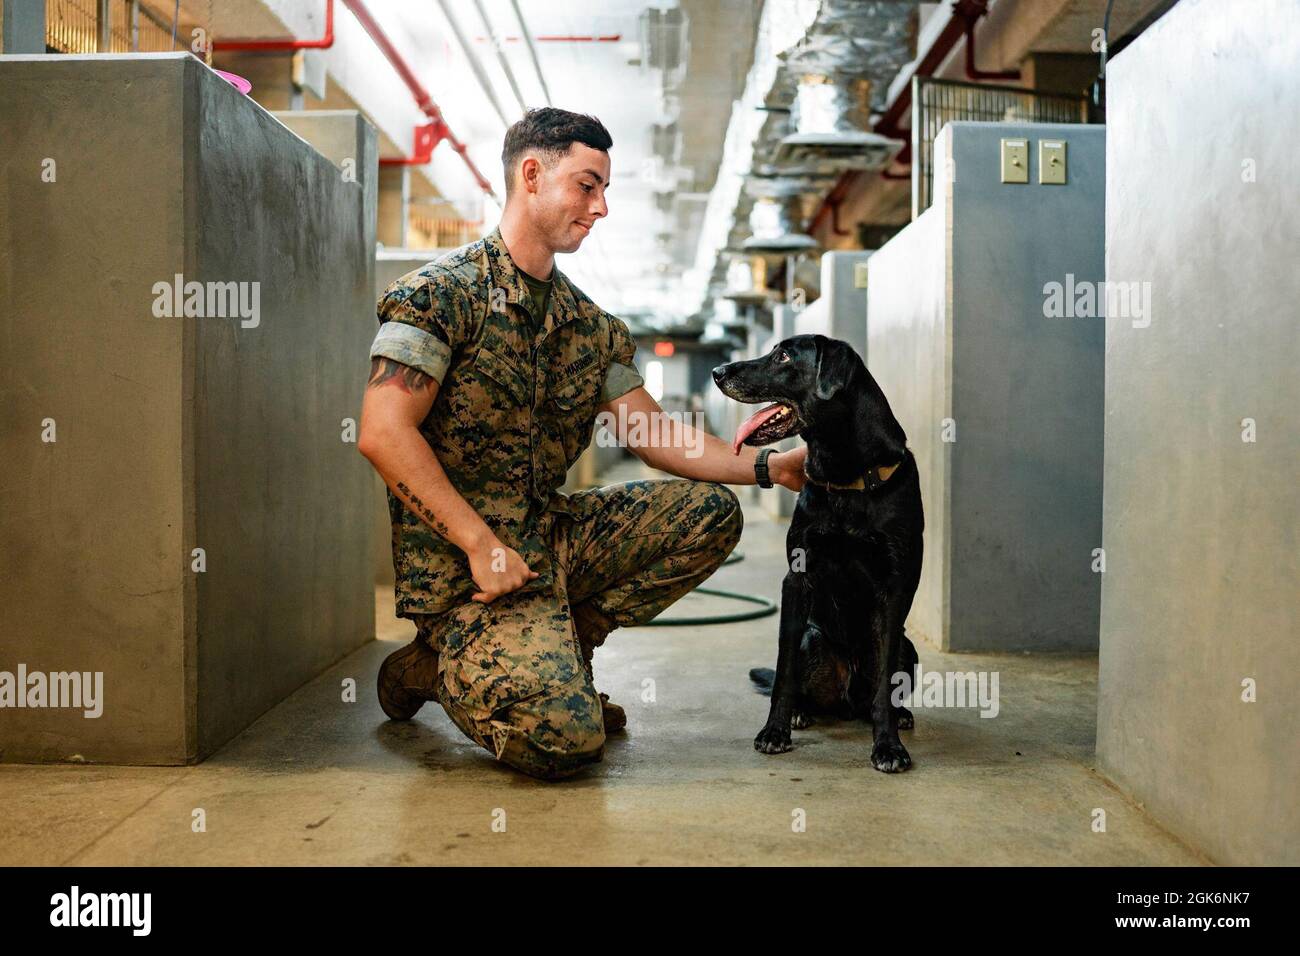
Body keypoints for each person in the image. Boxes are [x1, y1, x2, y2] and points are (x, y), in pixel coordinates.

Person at [358, 107, 807, 780]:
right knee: (564, 741)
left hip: (548, 540)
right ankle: (428, 665)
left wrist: (773, 466)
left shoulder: (590, 327)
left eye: (603, 190)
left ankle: (566, 644)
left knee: (710, 513)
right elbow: (383, 432)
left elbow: (652, 435)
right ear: (531, 175)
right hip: (466, 568)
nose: (600, 207)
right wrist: (482, 546)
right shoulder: (440, 296)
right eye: (586, 185)